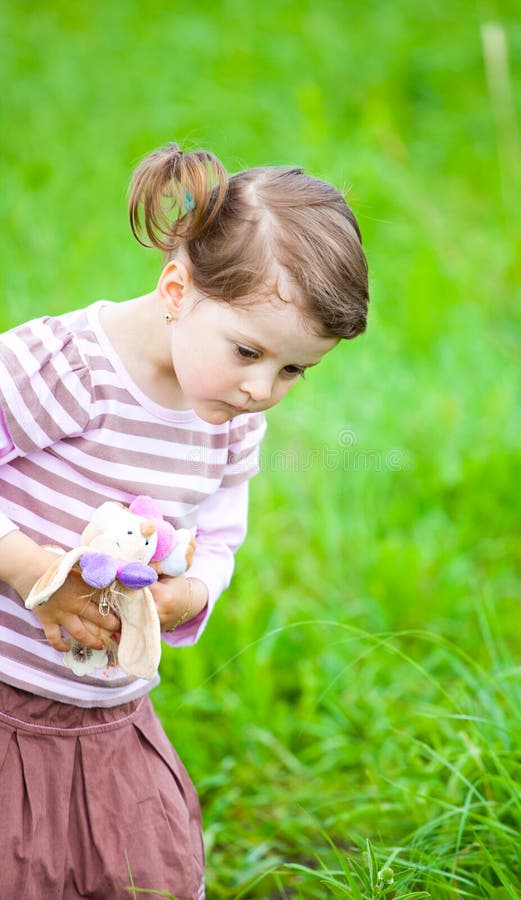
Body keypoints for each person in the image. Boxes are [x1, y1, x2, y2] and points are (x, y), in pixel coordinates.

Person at [0, 142, 369, 898]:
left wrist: (193, 590)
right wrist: (34, 570)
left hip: (108, 715)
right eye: (248, 351)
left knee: (149, 873)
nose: (263, 388)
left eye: (295, 370)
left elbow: (223, 533)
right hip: (6, 698)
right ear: (177, 287)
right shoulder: (67, 368)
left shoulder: (229, 421)